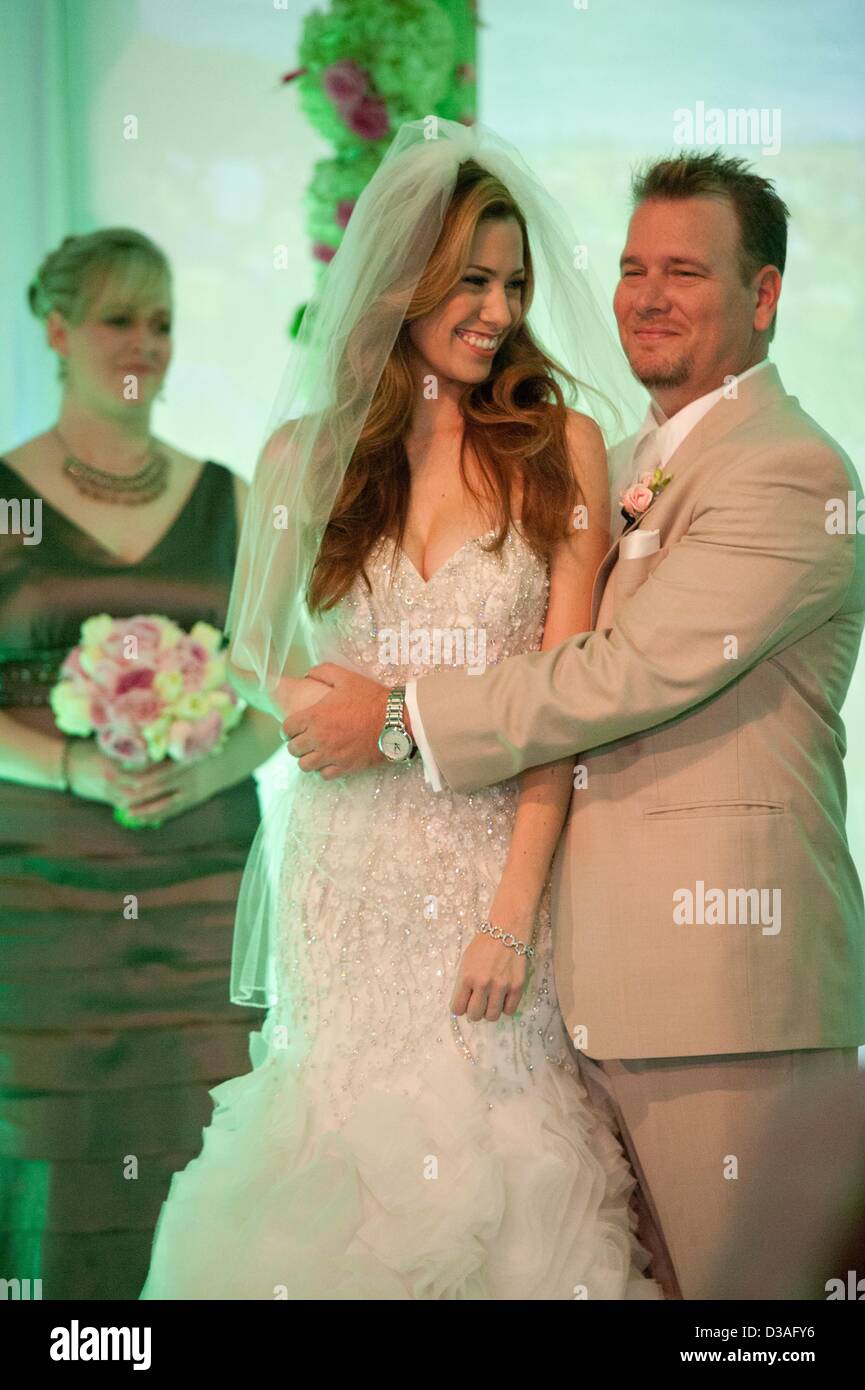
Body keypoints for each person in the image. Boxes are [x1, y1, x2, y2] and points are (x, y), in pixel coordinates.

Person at [287, 150, 865, 1300]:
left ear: (762, 296)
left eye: (686, 271)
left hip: (722, 998)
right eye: (632, 267)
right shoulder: (641, 458)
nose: (647, 295)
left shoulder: (787, 469)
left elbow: (621, 673)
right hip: (592, 993)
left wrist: (399, 717)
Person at [139, 117, 662, 1300]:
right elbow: (255, 654)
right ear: (401, 284)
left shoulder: (560, 445)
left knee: (503, 1168)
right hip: (343, 874)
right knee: (328, 1172)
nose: (494, 308)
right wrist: (306, 702)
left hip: (485, 867)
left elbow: (564, 703)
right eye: (468, 280)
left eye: (512, 283)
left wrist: (514, 914)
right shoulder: (301, 458)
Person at [0, 228, 282, 1299]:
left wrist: (208, 772)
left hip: (206, 878)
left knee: (204, 1130)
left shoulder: (231, 497)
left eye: (162, 321)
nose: (145, 342)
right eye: (121, 316)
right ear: (59, 329)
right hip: (39, 891)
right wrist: (74, 769)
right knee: (51, 1144)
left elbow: (277, 697)